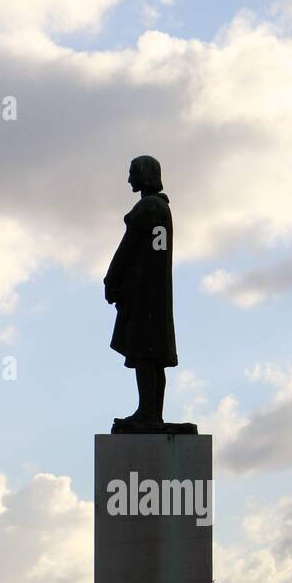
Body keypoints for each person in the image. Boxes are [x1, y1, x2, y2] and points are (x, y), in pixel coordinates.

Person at [104, 155, 177, 426]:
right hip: (155, 292)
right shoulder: (162, 209)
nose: (129, 179)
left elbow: (127, 249)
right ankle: (152, 412)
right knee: (154, 353)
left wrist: (111, 280)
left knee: (145, 351)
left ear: (143, 174)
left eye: (132, 173)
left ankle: (148, 413)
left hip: (144, 293)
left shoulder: (147, 208)